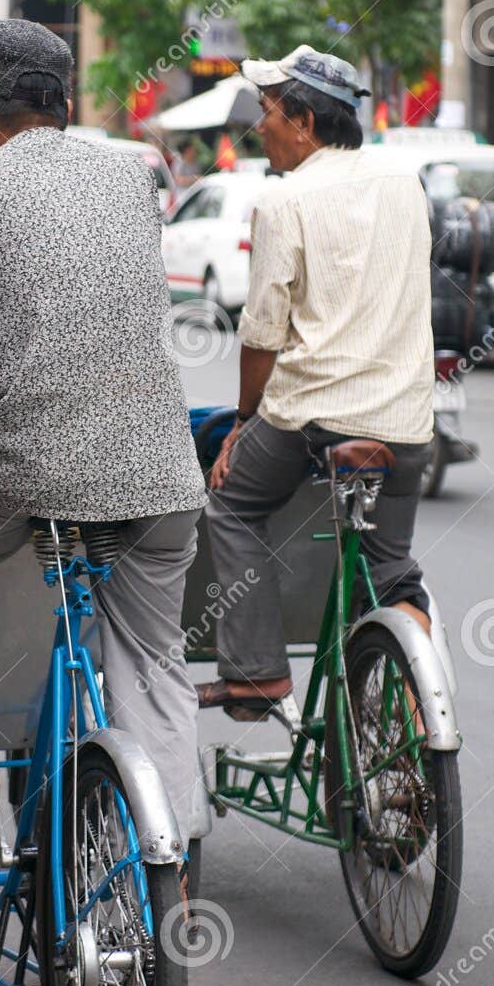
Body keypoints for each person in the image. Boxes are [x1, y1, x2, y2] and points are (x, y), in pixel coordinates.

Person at [0, 18, 207, 846]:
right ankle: (168, 857)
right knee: (151, 659)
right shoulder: (135, 180)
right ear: (61, 104)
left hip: (18, 470)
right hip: (161, 474)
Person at [200, 45, 434, 718]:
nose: (260, 126)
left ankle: (255, 674)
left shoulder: (284, 200)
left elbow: (262, 335)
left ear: (302, 120)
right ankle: (420, 702)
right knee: (390, 570)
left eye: (267, 111)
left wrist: (242, 423)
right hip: (403, 422)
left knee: (232, 505)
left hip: (312, 417)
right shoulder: (402, 182)